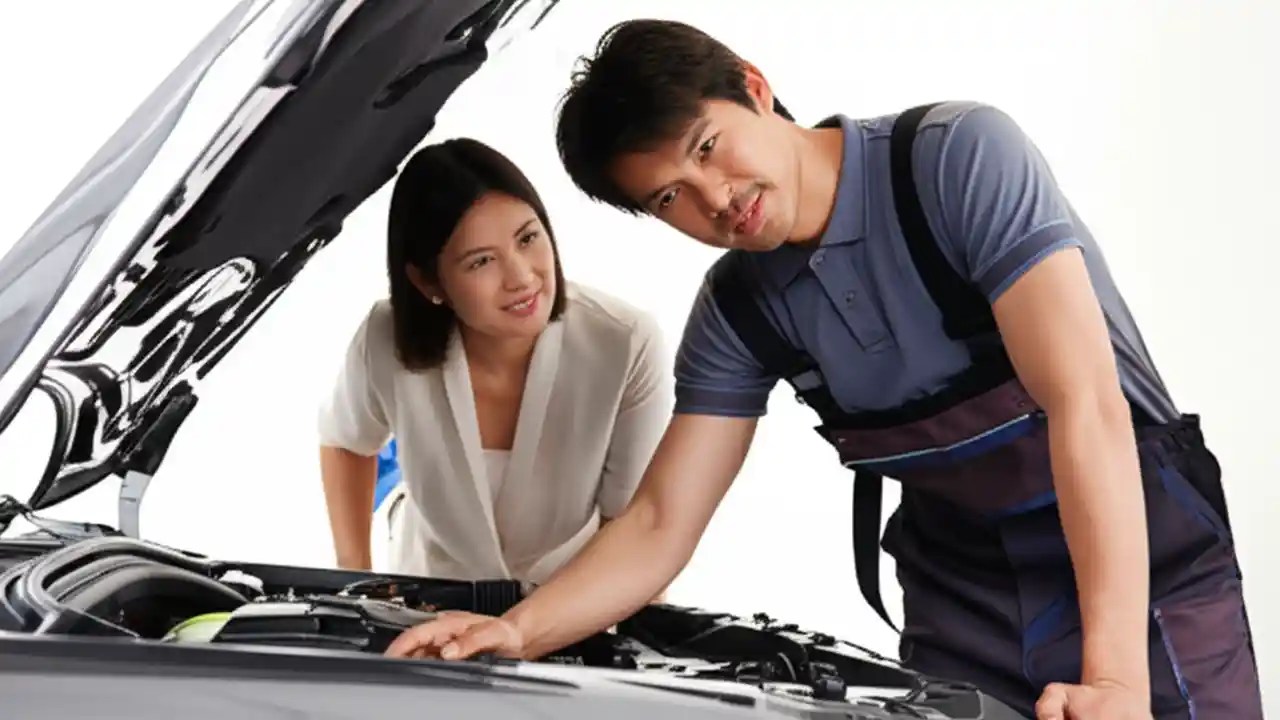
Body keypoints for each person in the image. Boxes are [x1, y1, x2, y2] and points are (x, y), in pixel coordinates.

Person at [383, 20, 1261, 720]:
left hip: (1140, 572)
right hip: (965, 598)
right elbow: (658, 521)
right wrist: (516, 629)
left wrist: (1113, 679)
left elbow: (1084, 406)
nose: (714, 199)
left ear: (754, 87)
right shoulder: (738, 310)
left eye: (706, 146)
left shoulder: (956, 160)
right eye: (668, 198)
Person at [317, 137, 671, 589]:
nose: (522, 278)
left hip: (569, 607)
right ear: (428, 281)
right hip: (423, 600)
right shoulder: (385, 338)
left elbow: (632, 529)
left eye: (528, 238)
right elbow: (346, 442)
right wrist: (356, 581)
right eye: (482, 261)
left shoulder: (624, 343)